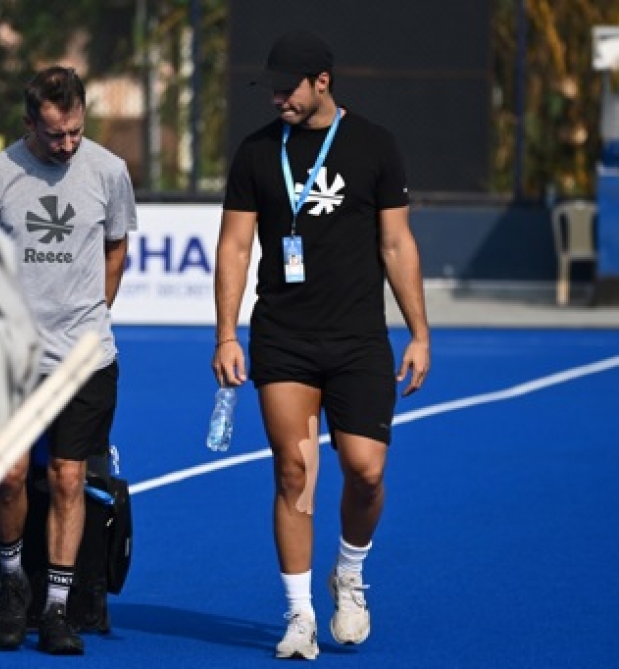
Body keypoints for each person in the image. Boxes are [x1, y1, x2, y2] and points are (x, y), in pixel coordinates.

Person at [211, 30, 430, 660]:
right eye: (272, 89)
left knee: (365, 472)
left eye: (287, 89)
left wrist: (418, 332)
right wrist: (227, 333)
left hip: (360, 339)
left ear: (322, 82)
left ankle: (351, 574)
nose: (277, 98)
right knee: (294, 473)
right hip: (284, 339)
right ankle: (299, 613)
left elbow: (396, 245)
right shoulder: (256, 153)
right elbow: (233, 246)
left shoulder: (374, 146)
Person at [0, 65, 136, 655]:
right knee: (10, 475)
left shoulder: (109, 172)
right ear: (28, 124)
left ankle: (59, 607)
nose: (66, 146)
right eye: (53, 135)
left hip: (86, 358)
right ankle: (12, 582)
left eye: (75, 133)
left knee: (68, 478)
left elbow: (116, 246)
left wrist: (96, 314)